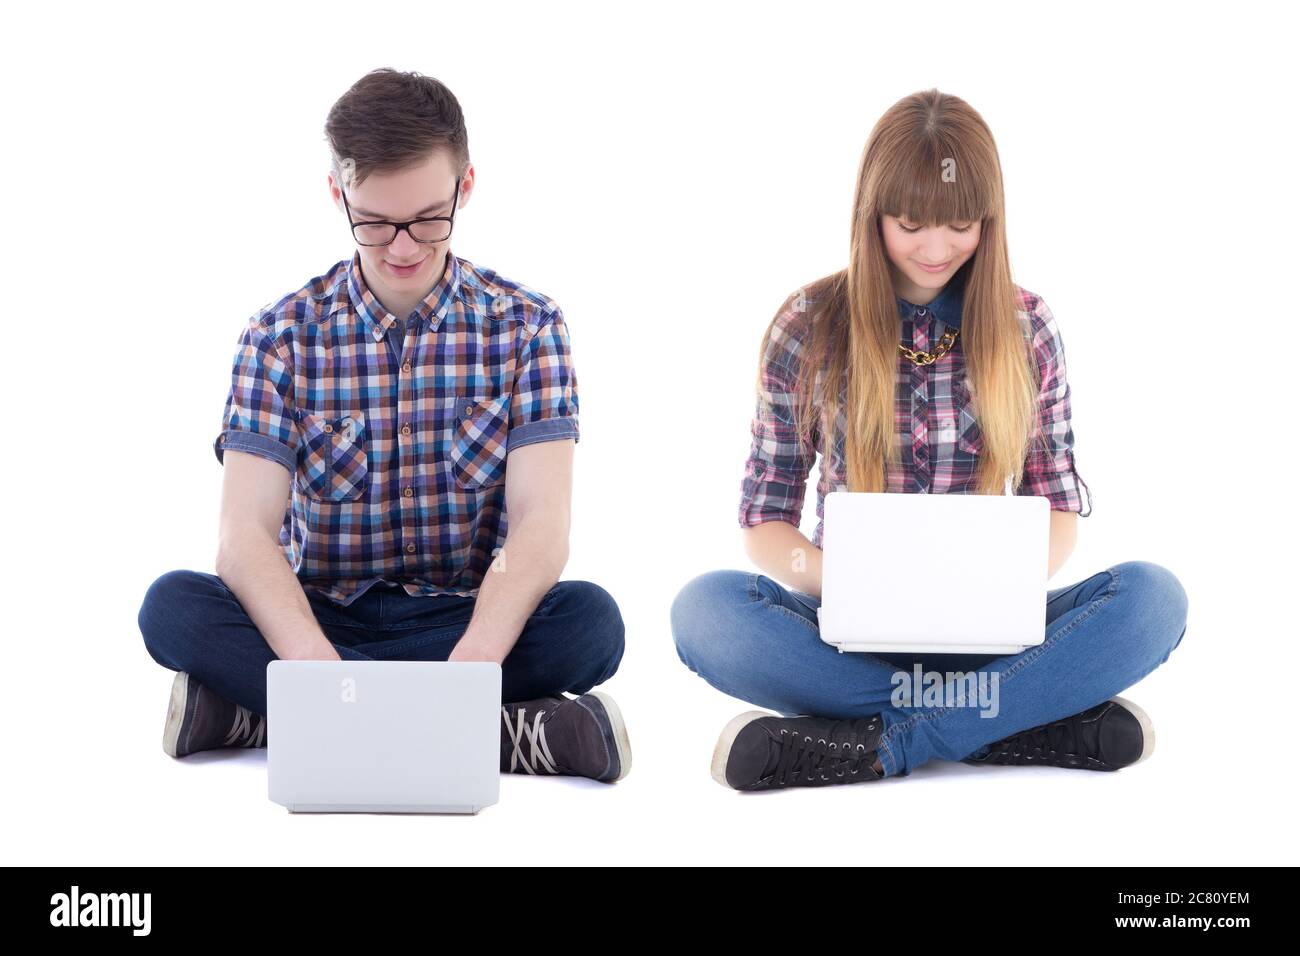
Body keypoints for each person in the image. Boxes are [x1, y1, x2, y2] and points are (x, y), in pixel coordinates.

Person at [670, 88, 1187, 792]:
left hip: (990, 636)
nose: (936, 249)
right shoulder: (808, 324)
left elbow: (1057, 505)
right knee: (706, 611)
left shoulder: (1027, 327)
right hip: (847, 638)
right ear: (872, 215)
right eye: (911, 224)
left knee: (1154, 600)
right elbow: (766, 521)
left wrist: (989, 587)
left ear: (988, 220)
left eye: (960, 224)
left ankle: (885, 743)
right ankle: (1006, 725)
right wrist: (855, 584)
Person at [138, 68, 630, 783]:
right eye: (374, 222)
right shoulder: (278, 338)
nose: (403, 248)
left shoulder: (529, 328)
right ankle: (496, 731)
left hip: (461, 621)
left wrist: (475, 660)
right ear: (338, 195)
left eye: (429, 219)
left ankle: (268, 717)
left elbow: (540, 524)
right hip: (316, 620)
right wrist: (312, 665)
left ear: (465, 187)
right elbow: (243, 537)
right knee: (172, 608)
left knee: (591, 624)